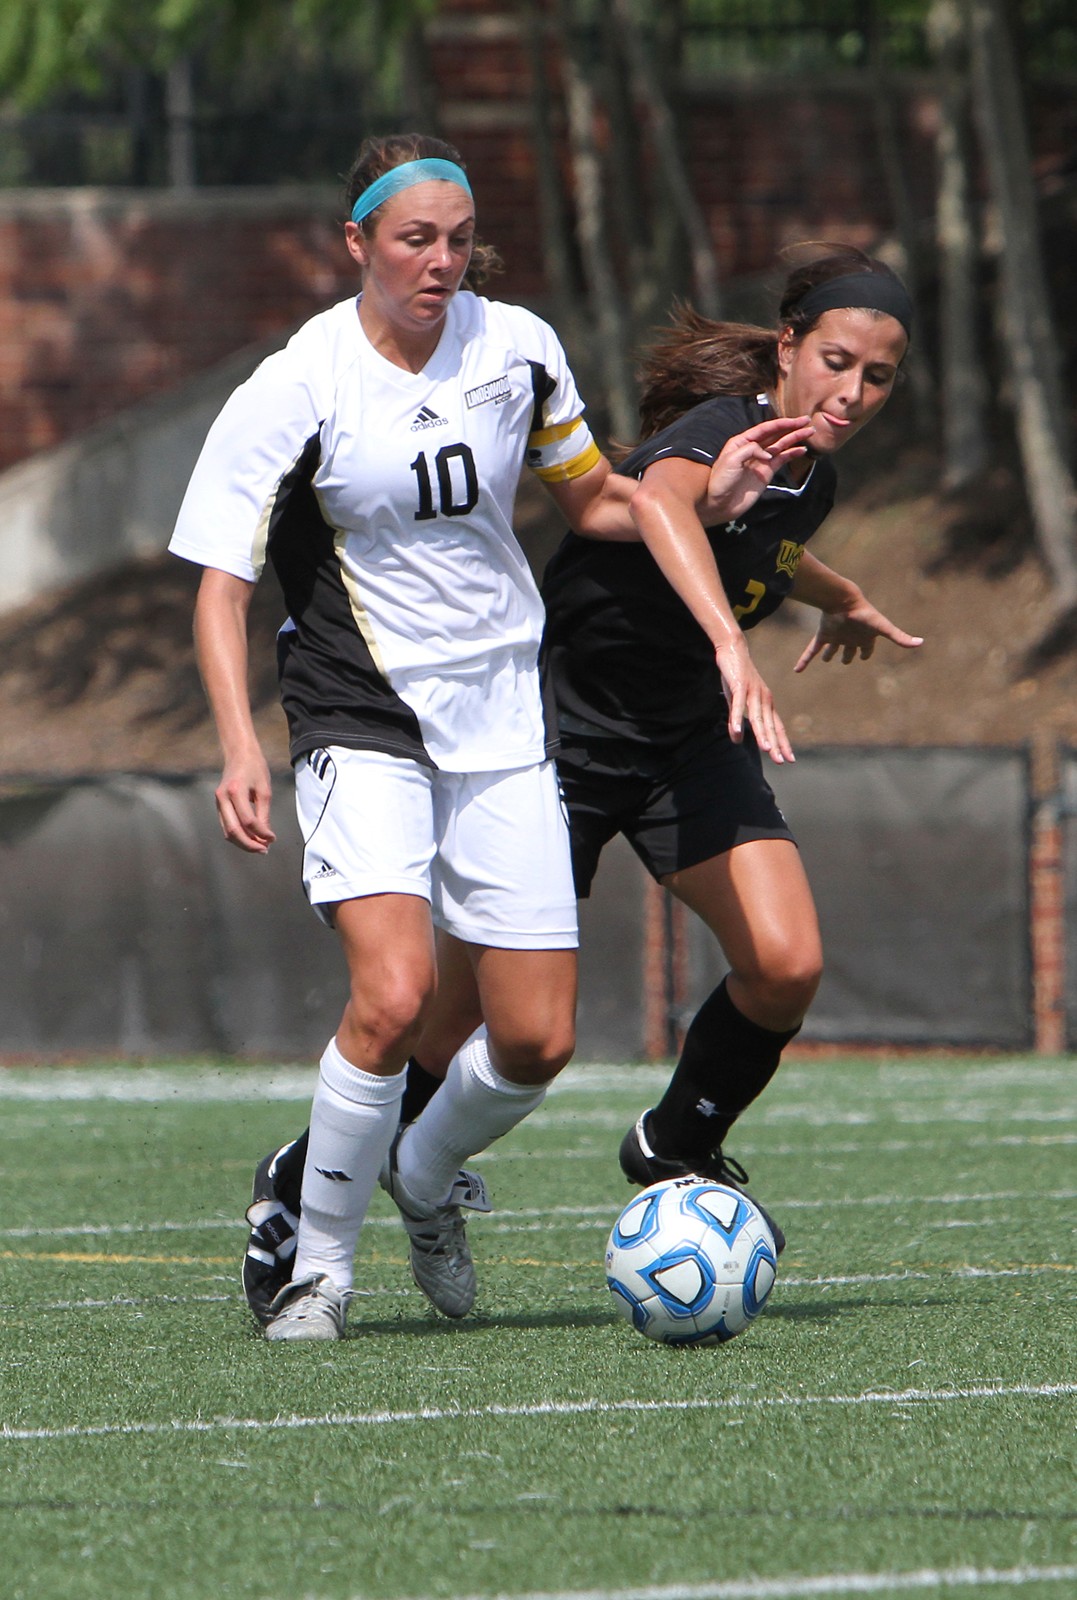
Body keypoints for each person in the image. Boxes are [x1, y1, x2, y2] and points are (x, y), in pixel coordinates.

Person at [244, 243, 921, 1319]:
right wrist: (731, 643)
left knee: (786, 962)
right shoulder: (719, 429)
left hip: (687, 740)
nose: (851, 392)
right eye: (835, 360)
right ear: (787, 346)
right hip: (561, 729)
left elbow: (764, 551)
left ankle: (673, 1143)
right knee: (459, 1014)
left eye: (877, 378)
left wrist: (834, 595)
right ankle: (301, 1176)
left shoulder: (812, 471)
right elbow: (660, 502)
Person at [170, 131, 738, 1342]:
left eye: (458, 239)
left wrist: (701, 498)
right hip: (359, 709)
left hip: (501, 713)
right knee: (395, 990)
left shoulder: (518, 346)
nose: (440, 261)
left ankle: (422, 1180)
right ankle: (317, 1269)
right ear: (358, 243)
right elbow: (221, 585)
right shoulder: (297, 384)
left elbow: (589, 495)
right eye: (414, 239)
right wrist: (235, 743)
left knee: (536, 1036)